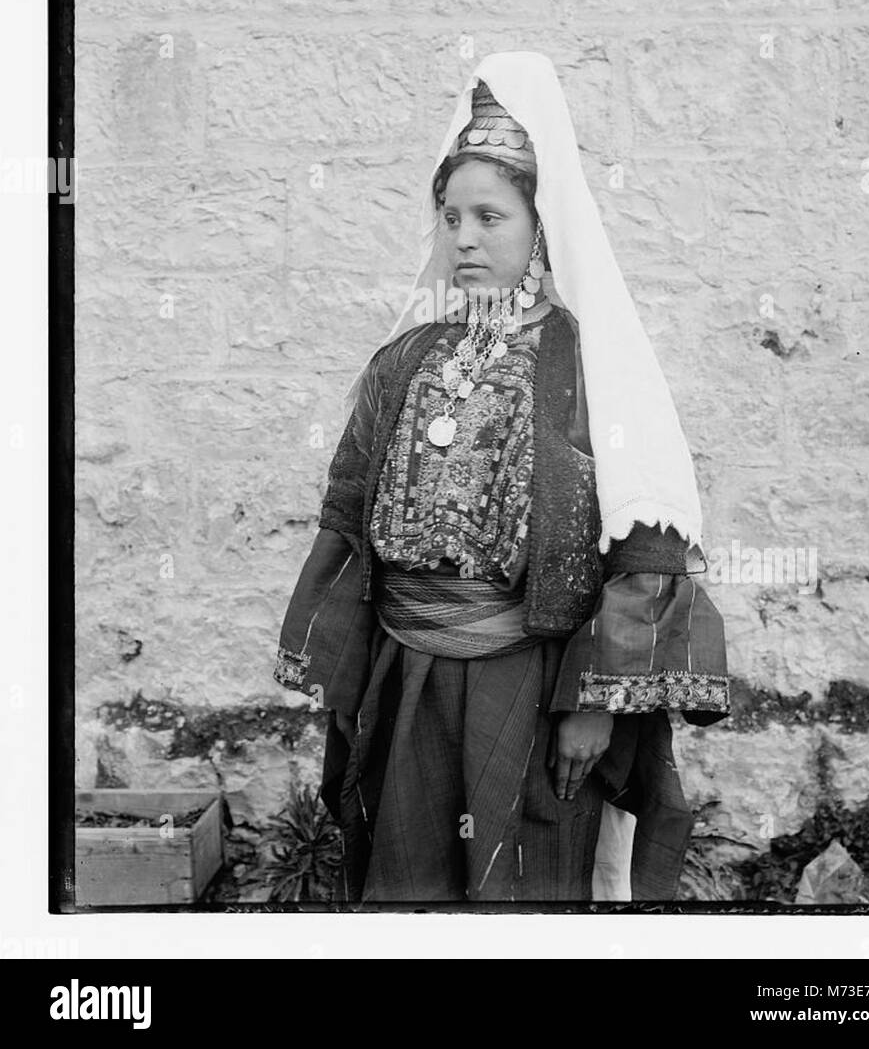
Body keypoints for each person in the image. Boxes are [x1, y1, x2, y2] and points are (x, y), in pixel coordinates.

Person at [274, 51, 729, 904]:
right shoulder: (406, 359)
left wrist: (595, 702)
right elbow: (344, 523)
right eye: (450, 217)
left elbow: (645, 545)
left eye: (490, 216)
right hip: (402, 674)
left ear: (540, 227)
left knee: (522, 894)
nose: (465, 238)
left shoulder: (590, 369)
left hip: (526, 685)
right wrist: (345, 676)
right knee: (407, 886)